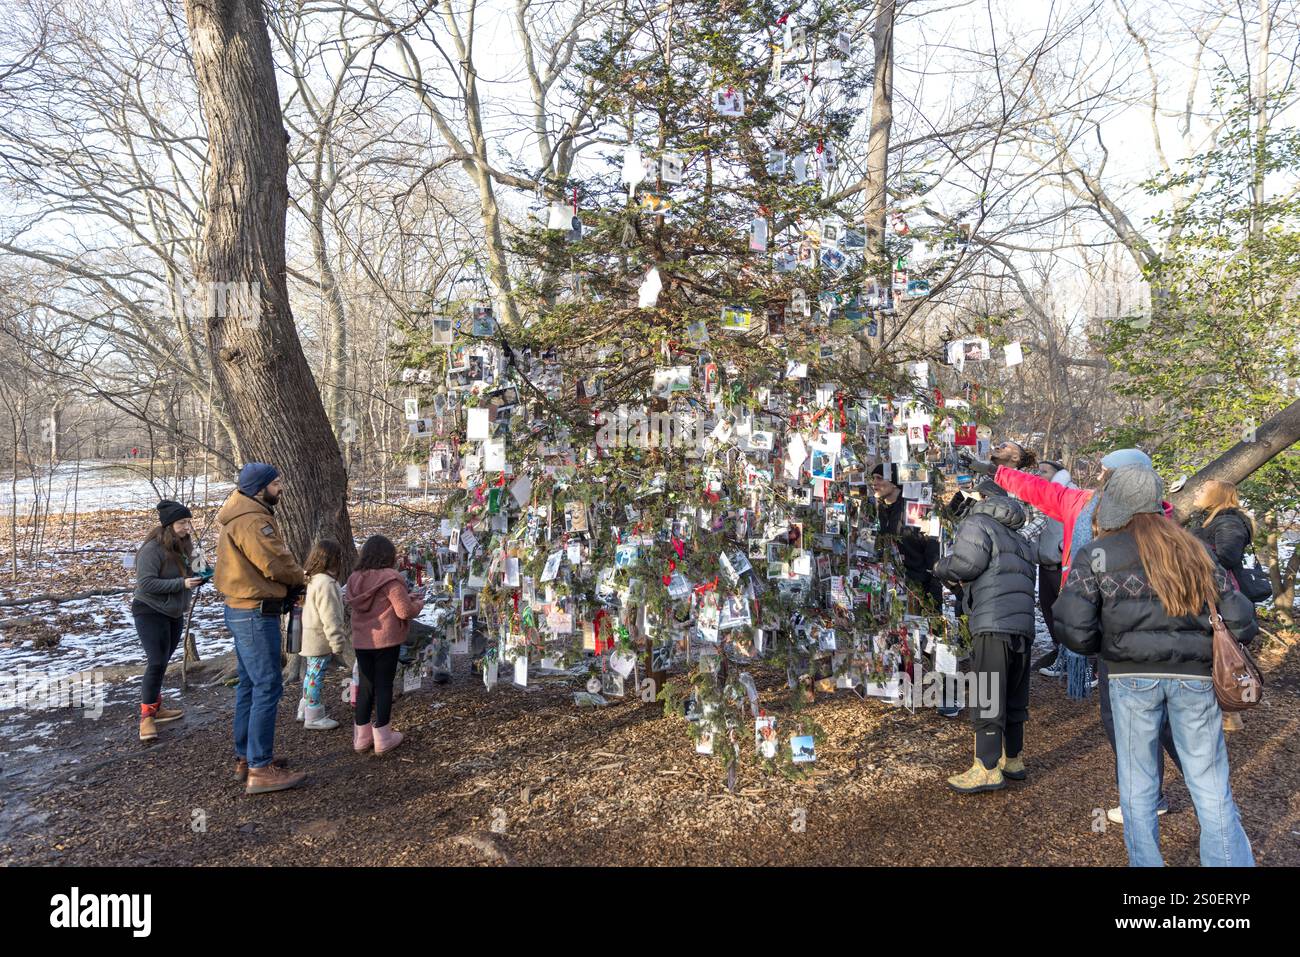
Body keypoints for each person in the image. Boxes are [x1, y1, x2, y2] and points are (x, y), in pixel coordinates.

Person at [961, 446, 1185, 823]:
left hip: (1122, 638)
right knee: (1160, 720)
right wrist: (997, 473)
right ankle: (1190, 793)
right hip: (1156, 639)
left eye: (1105, 470)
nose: (1099, 475)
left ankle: (1151, 799)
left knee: (1130, 722)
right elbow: (1039, 490)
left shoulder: (1094, 509)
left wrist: (1078, 628)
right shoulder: (1164, 521)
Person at [1053, 466, 1258, 866]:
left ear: (1114, 502)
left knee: (1138, 783)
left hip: (1130, 678)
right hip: (1195, 678)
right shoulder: (1193, 547)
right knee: (1210, 782)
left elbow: (1073, 626)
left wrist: (1111, 648)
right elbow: (1242, 619)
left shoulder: (1098, 552)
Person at [932, 486, 1037, 793]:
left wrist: (940, 567)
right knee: (1014, 692)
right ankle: (1013, 759)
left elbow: (967, 564)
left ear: (982, 501)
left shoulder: (977, 524)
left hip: (993, 622)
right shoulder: (1020, 538)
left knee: (988, 693)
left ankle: (987, 768)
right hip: (1022, 625)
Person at [214, 463, 308, 794]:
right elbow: (274, 562)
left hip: (242, 609)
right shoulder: (253, 520)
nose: (281, 487)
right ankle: (260, 768)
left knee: (251, 684)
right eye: (276, 482)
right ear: (259, 489)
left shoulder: (243, 513)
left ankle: (246, 757)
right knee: (268, 685)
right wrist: (300, 577)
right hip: (254, 612)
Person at [132, 500, 204, 742]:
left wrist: (203, 572)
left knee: (163, 661)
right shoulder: (152, 549)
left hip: (174, 612)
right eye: (182, 523)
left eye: (188, 522)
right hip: (150, 610)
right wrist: (181, 584)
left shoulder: (187, 545)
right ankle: (146, 719)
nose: (187, 527)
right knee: (155, 661)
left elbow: (199, 569)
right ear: (169, 525)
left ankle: (157, 708)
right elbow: (146, 583)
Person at [347, 535, 424, 755]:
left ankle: (361, 738)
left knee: (366, 686)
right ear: (387, 555)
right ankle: (383, 736)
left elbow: (377, 601)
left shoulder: (354, 578)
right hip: (386, 640)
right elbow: (404, 611)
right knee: (383, 686)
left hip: (363, 640)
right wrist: (417, 603)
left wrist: (405, 597)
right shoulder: (390, 578)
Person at [298, 539, 349, 732]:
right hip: (319, 639)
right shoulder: (327, 584)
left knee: (311, 673)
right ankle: (313, 714)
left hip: (309, 636)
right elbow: (331, 617)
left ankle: (304, 708)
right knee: (315, 676)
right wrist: (337, 643)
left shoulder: (310, 578)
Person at [1030, 461, 1073, 676]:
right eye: (1038, 470)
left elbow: (1077, 523)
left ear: (1059, 473)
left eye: (1044, 471)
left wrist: (1064, 548)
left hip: (1061, 566)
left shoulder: (1069, 492)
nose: (1040, 474)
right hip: (1044, 566)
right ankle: (1061, 655)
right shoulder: (1043, 494)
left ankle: (1079, 663)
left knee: (1067, 614)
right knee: (1049, 611)